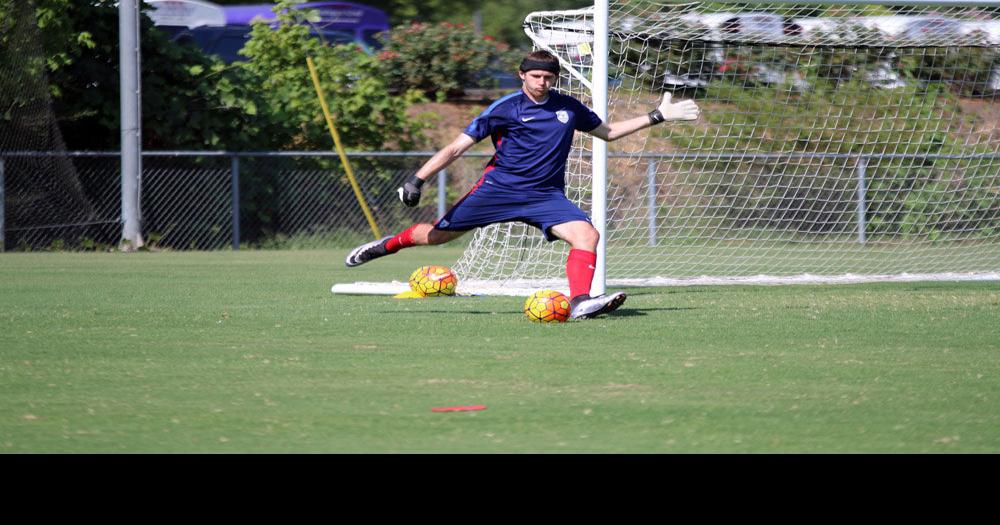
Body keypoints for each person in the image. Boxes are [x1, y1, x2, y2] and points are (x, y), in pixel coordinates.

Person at [346, 50, 700, 319]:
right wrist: (417, 179)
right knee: (437, 237)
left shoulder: (568, 107)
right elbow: (456, 147)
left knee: (587, 236)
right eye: (535, 76)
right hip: (497, 190)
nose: (542, 82)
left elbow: (607, 133)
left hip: (545, 196)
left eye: (548, 77)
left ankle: (579, 302)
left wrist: (657, 116)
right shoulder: (504, 108)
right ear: (522, 76)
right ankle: (385, 245)